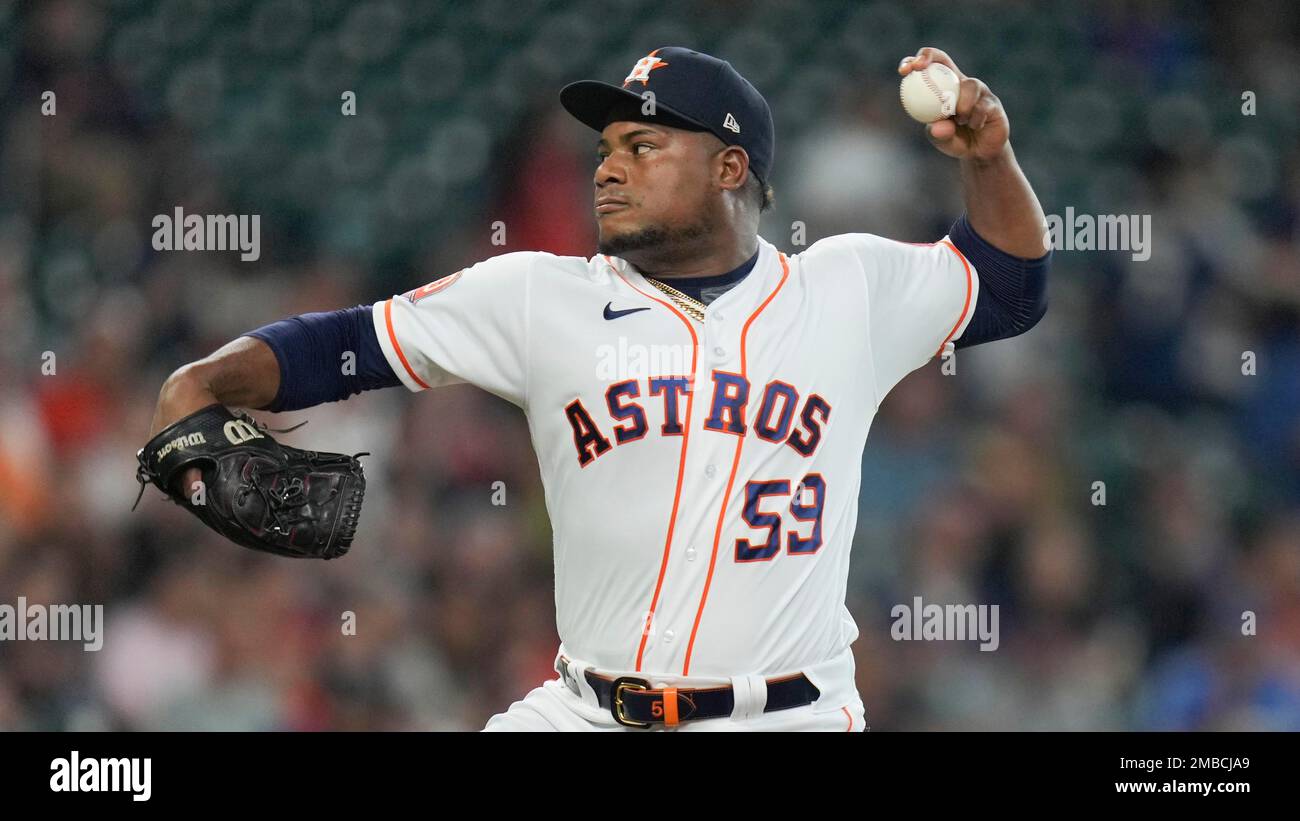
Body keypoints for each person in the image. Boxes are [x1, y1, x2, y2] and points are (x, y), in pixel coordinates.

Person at [146, 46, 1050, 731]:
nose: (607, 167)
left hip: (789, 714)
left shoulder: (845, 289)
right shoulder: (542, 297)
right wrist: (203, 378)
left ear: (731, 169)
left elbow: (1009, 286)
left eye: (643, 144)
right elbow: (347, 344)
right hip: (586, 710)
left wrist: (989, 158)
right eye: (608, 146)